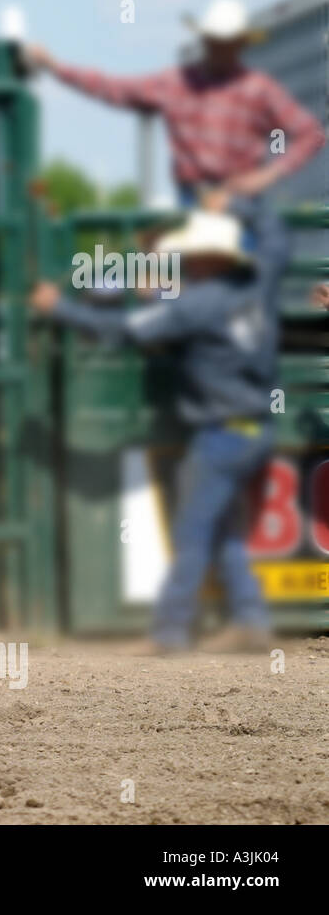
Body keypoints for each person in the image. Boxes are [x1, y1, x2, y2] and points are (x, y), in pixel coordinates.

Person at [30, 192, 289, 654]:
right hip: (253, 425)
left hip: (222, 431)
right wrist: (240, 203)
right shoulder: (259, 286)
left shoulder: (197, 305)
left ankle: (169, 632)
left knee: (193, 529)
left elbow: (126, 329)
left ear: (205, 259)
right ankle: (249, 618)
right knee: (221, 524)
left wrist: (59, 308)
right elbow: (277, 240)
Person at [25, 0, 324, 208]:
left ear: (239, 44)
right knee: (176, 277)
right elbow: (112, 87)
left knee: (264, 260)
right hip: (192, 200)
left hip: (240, 200)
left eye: (226, 42)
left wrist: (266, 176)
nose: (220, 49)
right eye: (215, 41)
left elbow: (310, 133)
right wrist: (55, 66)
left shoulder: (258, 89)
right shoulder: (176, 83)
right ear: (206, 40)